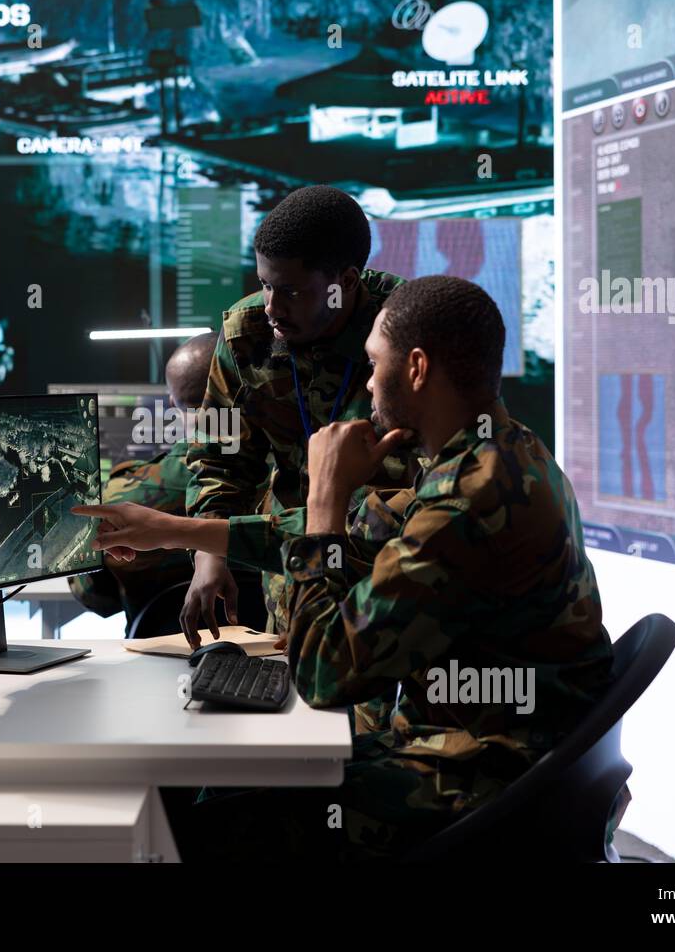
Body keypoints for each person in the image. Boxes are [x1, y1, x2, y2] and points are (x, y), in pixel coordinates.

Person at [75, 275, 615, 860]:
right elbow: (367, 539)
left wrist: (324, 497)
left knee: (202, 826)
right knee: (223, 782)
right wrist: (171, 530)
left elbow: (324, 674)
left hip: (475, 769)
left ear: (415, 368)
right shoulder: (496, 453)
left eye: (372, 363)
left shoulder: (468, 498)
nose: (366, 380)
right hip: (492, 739)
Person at [183, 184, 417, 648]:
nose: (272, 306)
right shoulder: (247, 335)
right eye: (265, 284)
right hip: (296, 583)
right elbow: (219, 458)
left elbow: (433, 487)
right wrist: (210, 556)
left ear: (345, 282)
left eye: (290, 290)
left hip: (394, 585)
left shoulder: (406, 330)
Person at [67, 332, 218, 631]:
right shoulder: (292, 488)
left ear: (173, 403)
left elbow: (96, 599)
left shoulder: (120, 501)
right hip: (265, 660)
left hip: (154, 658)